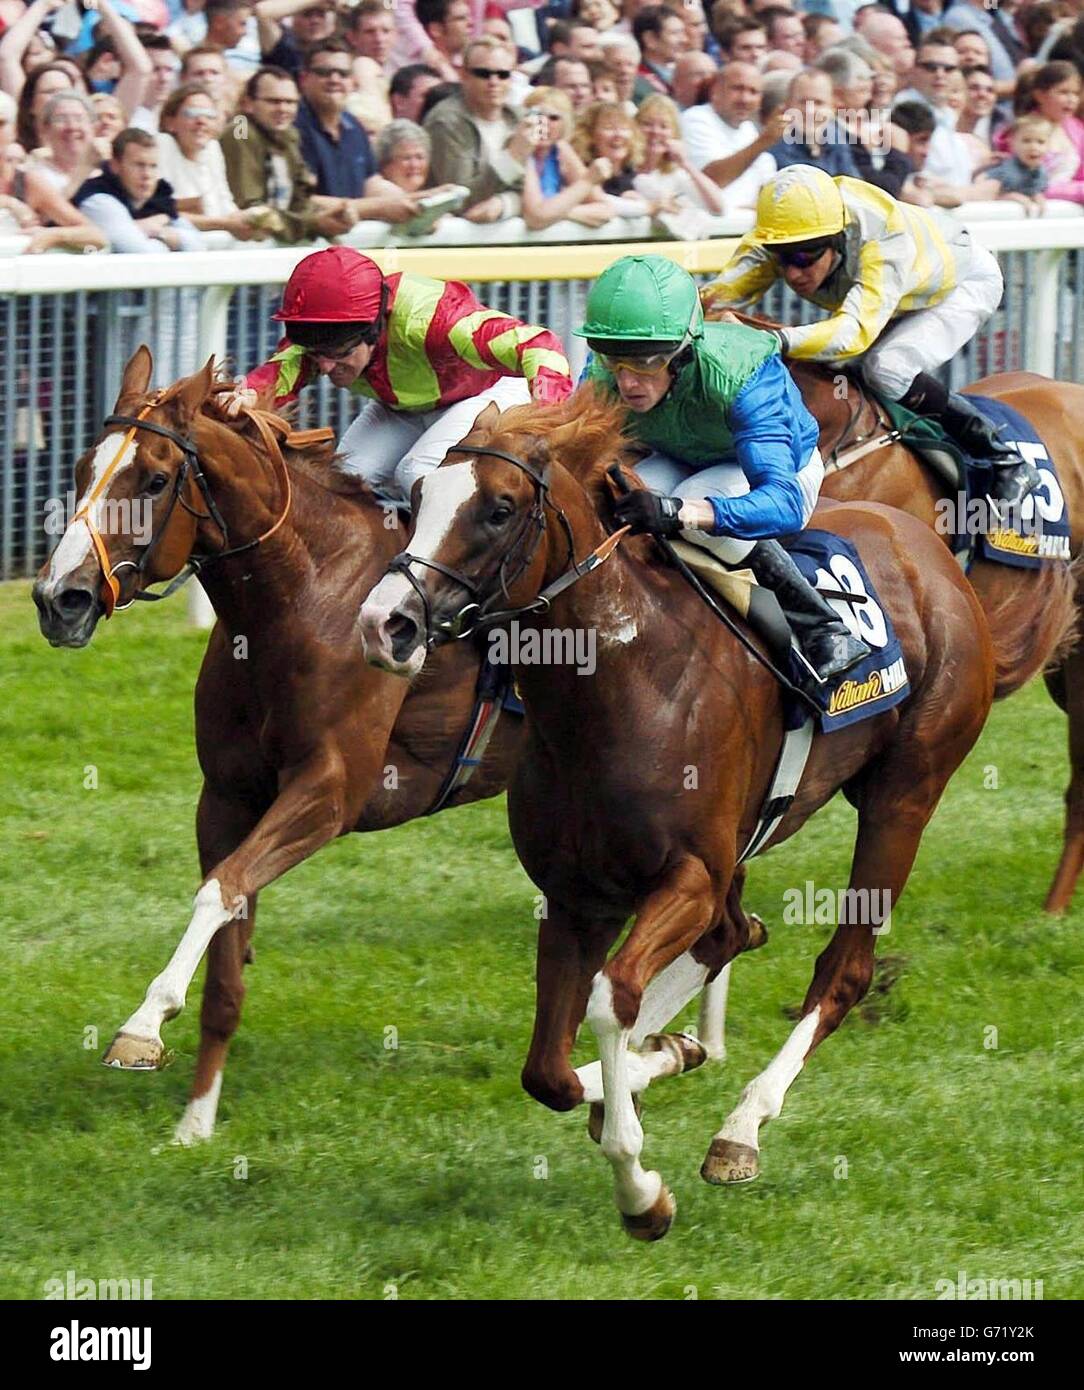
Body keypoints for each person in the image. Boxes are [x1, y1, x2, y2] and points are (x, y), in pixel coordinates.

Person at [578, 254, 869, 685]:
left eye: (645, 362)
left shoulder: (744, 375)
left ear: (682, 352)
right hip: (682, 454)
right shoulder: (602, 372)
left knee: (691, 514)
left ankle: (823, 627)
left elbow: (782, 504)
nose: (626, 382)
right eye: (613, 360)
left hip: (781, 468)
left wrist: (680, 512)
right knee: (606, 502)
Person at [701, 165, 1038, 506]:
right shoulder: (786, 229)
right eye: (782, 258)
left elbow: (853, 334)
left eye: (804, 257)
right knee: (831, 366)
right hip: (895, 292)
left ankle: (1003, 457)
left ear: (836, 239)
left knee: (886, 367)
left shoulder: (882, 238)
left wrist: (774, 340)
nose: (792, 272)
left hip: (959, 284)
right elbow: (720, 295)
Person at [224, 246, 574, 505]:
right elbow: (278, 371)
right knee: (343, 482)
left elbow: (539, 344)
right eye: (317, 355)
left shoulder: (436, 319)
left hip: (485, 393)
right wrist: (248, 395)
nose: (326, 368)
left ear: (374, 329)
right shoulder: (329, 335)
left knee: (416, 473)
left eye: (338, 353)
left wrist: (544, 420)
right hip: (405, 407)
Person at [74, 125, 205, 251]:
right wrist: (160, 236)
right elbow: (142, 253)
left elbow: (198, 245)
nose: (147, 175)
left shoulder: (159, 200)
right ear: (115, 166)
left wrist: (160, 232)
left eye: (153, 166)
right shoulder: (97, 199)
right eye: (139, 165)